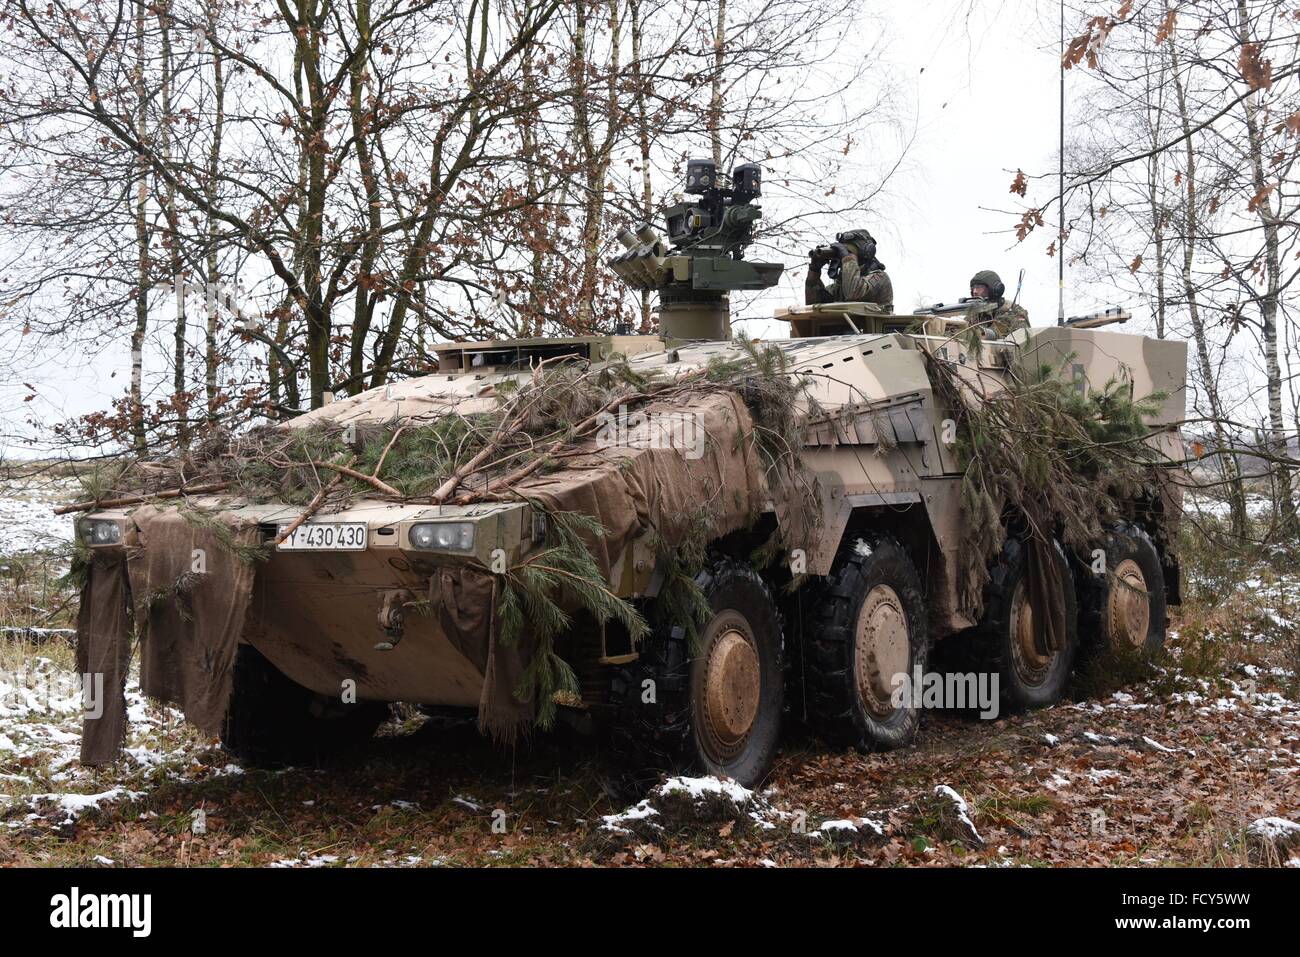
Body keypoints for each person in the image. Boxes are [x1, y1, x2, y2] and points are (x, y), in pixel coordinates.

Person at [806, 229, 893, 310]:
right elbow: (812, 305)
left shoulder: (881, 278)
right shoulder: (842, 285)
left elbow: (853, 293)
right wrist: (814, 271)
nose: (842, 257)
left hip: (869, 326)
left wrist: (848, 258)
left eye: (849, 252)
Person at [969, 269, 1029, 336]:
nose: (975, 291)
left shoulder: (1013, 311)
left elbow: (1023, 339)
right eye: (973, 288)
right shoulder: (974, 314)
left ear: (995, 288)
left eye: (979, 287)